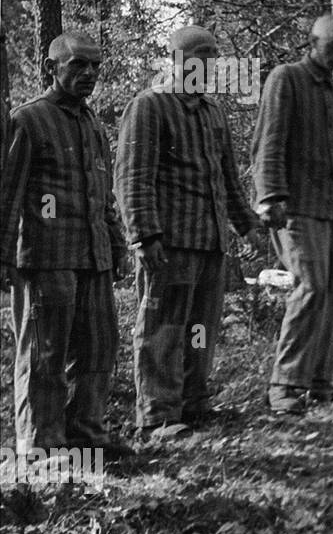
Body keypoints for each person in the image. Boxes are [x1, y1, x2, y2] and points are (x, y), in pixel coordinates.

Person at [115, 26, 260, 436]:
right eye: (201, 54)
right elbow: (132, 177)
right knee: (163, 328)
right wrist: (143, 235)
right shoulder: (149, 106)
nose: (210, 63)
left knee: (200, 329)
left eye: (215, 55)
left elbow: (227, 177)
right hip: (169, 242)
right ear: (177, 59)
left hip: (210, 240)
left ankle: (194, 403)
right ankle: (159, 414)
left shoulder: (213, 111)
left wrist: (246, 224)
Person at [0, 31, 134, 459]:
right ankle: (40, 446)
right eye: (78, 64)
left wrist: (116, 246)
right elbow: (7, 193)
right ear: (51, 67)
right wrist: (2, 257)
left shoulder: (93, 123)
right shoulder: (28, 119)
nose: (89, 73)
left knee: (98, 347)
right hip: (45, 258)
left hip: (92, 256)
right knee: (44, 353)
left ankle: (87, 436)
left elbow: (104, 192)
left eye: (95, 65)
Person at [251, 14, 333, 414]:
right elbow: (269, 140)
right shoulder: (286, 78)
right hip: (294, 207)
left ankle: (319, 381)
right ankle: (284, 386)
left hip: (331, 210)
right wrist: (269, 197)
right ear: (311, 43)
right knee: (310, 286)